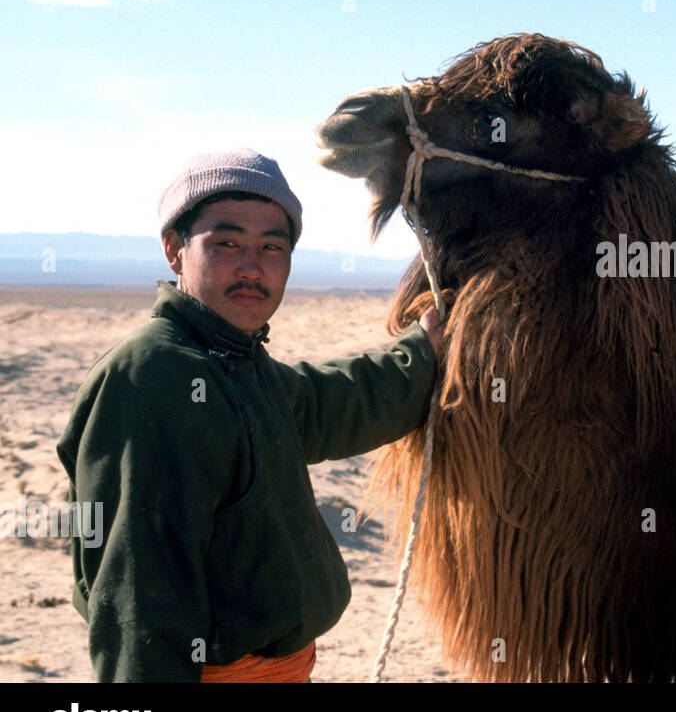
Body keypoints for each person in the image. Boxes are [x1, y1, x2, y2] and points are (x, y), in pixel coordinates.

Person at [56, 149, 444, 682]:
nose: (251, 268)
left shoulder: (234, 361)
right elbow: (139, 604)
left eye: (272, 247)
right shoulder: (155, 375)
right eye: (227, 243)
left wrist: (422, 352)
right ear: (175, 250)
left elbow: (325, 404)